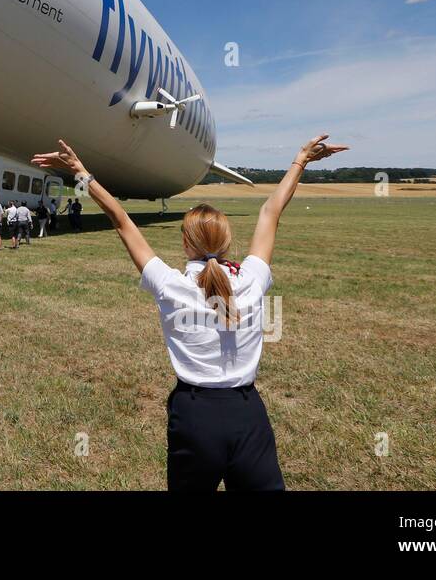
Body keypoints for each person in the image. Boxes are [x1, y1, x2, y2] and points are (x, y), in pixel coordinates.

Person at [32, 134, 347, 491]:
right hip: (248, 413)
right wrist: (300, 160)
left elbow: (121, 220)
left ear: (185, 243)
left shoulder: (170, 285)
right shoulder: (252, 279)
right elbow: (271, 211)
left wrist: (81, 173)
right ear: (228, 243)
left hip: (194, 414)